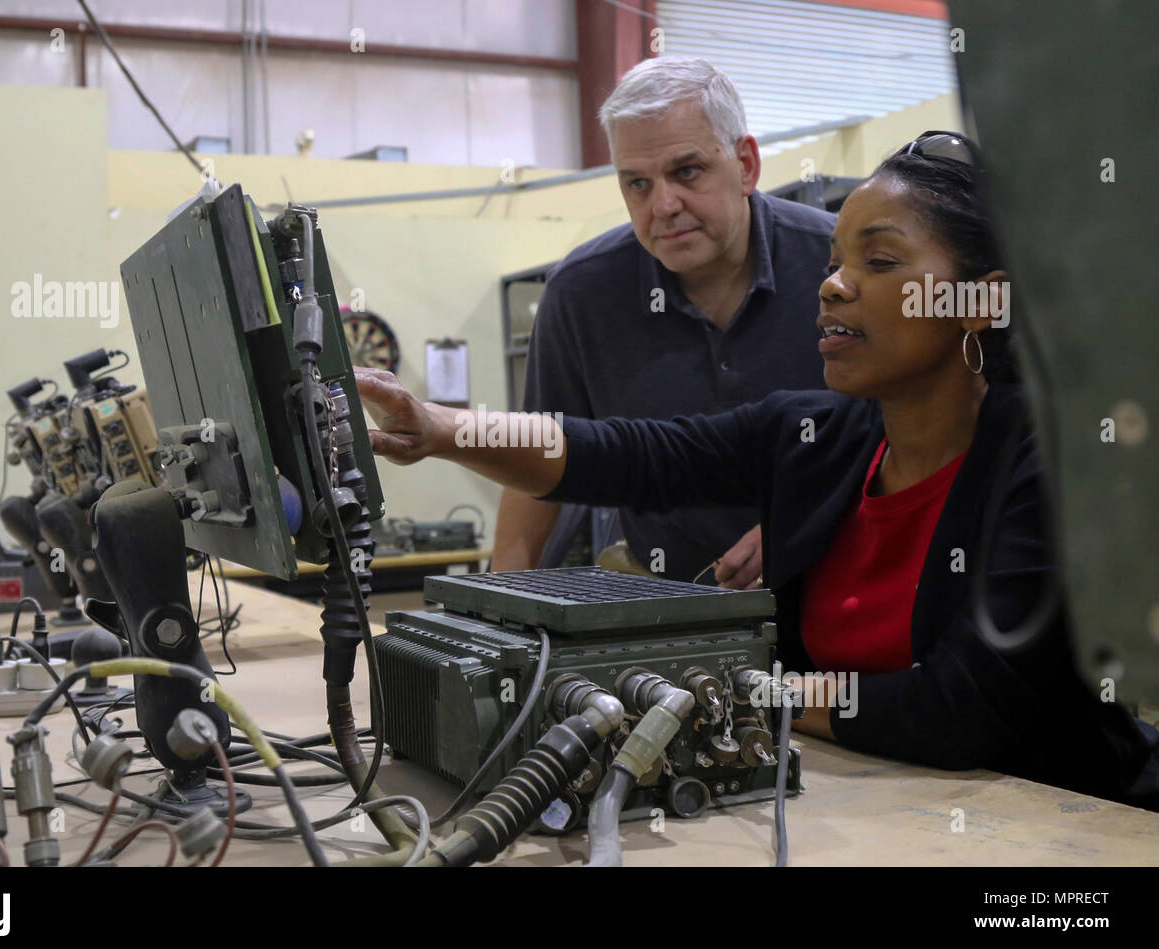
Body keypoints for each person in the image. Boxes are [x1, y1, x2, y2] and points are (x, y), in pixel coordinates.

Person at [355, 132, 1159, 806]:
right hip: (882, 811)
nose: (834, 286)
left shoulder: (1052, 464)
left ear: (980, 303)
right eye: (836, 258)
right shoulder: (816, 435)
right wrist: (445, 427)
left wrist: (739, 688)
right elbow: (629, 455)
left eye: (878, 263)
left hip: (1067, 830)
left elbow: (960, 710)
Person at [496, 56, 833, 587]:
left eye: (686, 171)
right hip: (671, 603)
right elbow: (538, 462)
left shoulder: (841, 268)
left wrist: (810, 524)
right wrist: (495, 616)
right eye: (637, 184)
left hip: (842, 588)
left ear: (745, 164)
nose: (663, 205)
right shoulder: (583, 296)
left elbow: (916, 440)